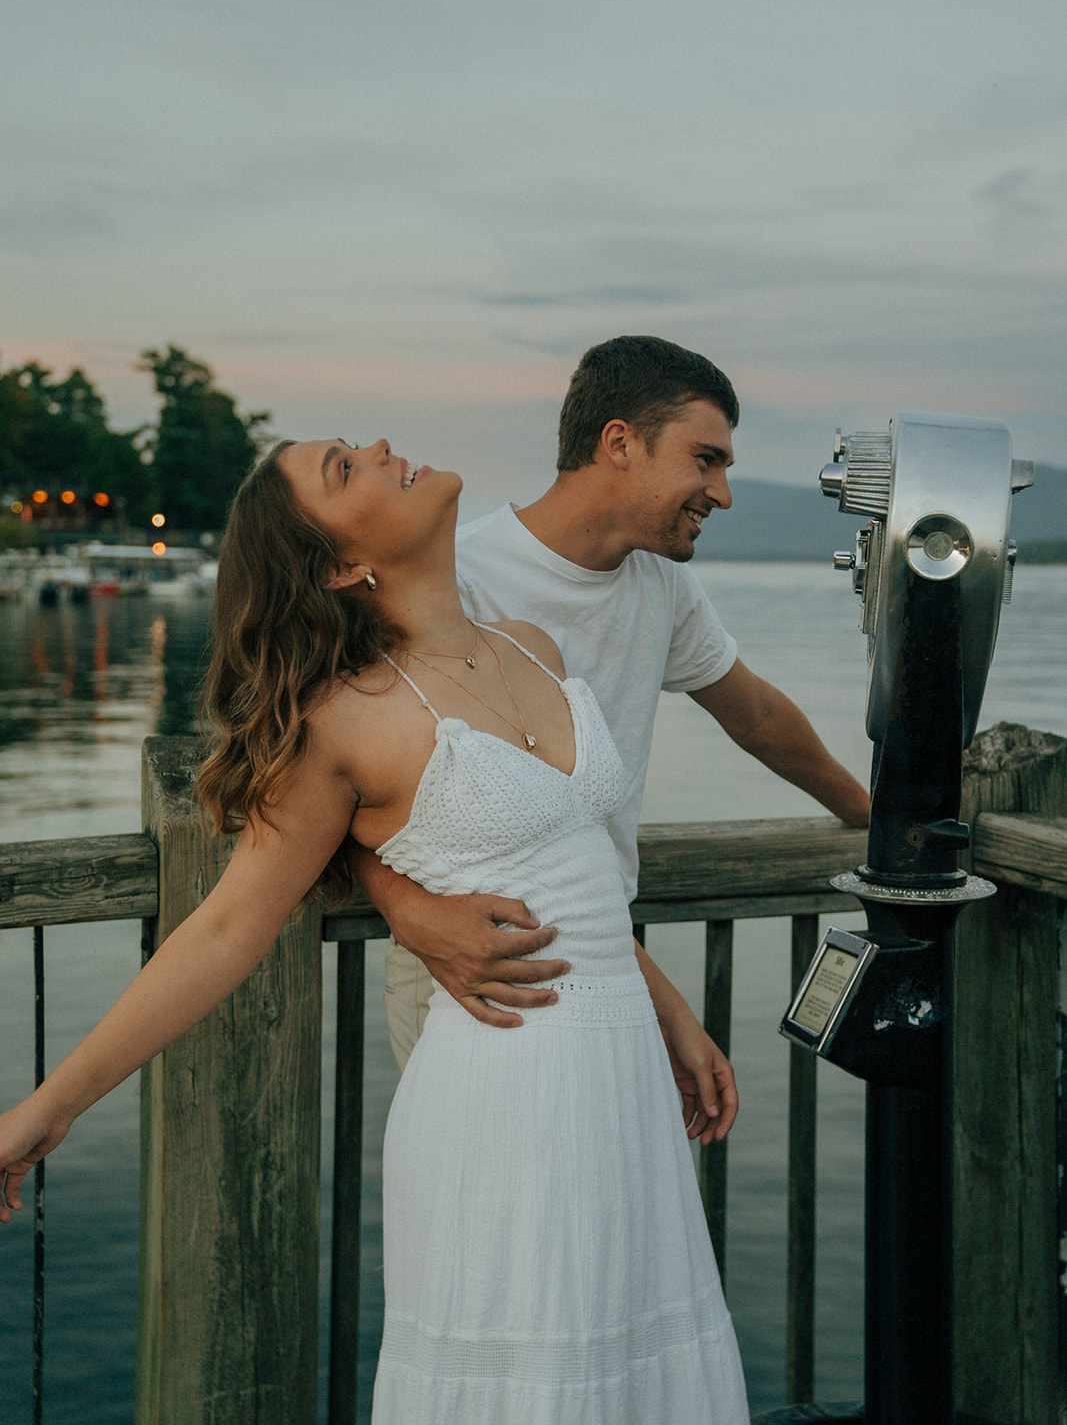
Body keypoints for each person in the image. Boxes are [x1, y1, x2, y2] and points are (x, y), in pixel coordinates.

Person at [0, 432, 750, 1423]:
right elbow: (226, 928)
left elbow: (575, 878)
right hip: (504, 1099)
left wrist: (670, 1013)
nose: (380, 446)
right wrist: (47, 1109)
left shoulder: (536, 644)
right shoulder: (338, 722)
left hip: (624, 1095)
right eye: (343, 468)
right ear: (344, 565)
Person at [356, 336, 870, 1072]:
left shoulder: (658, 586)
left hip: (604, 942)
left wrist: (869, 815)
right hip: (476, 960)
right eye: (705, 459)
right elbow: (345, 789)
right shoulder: (456, 580)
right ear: (620, 442)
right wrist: (411, 913)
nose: (721, 493)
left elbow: (754, 716)